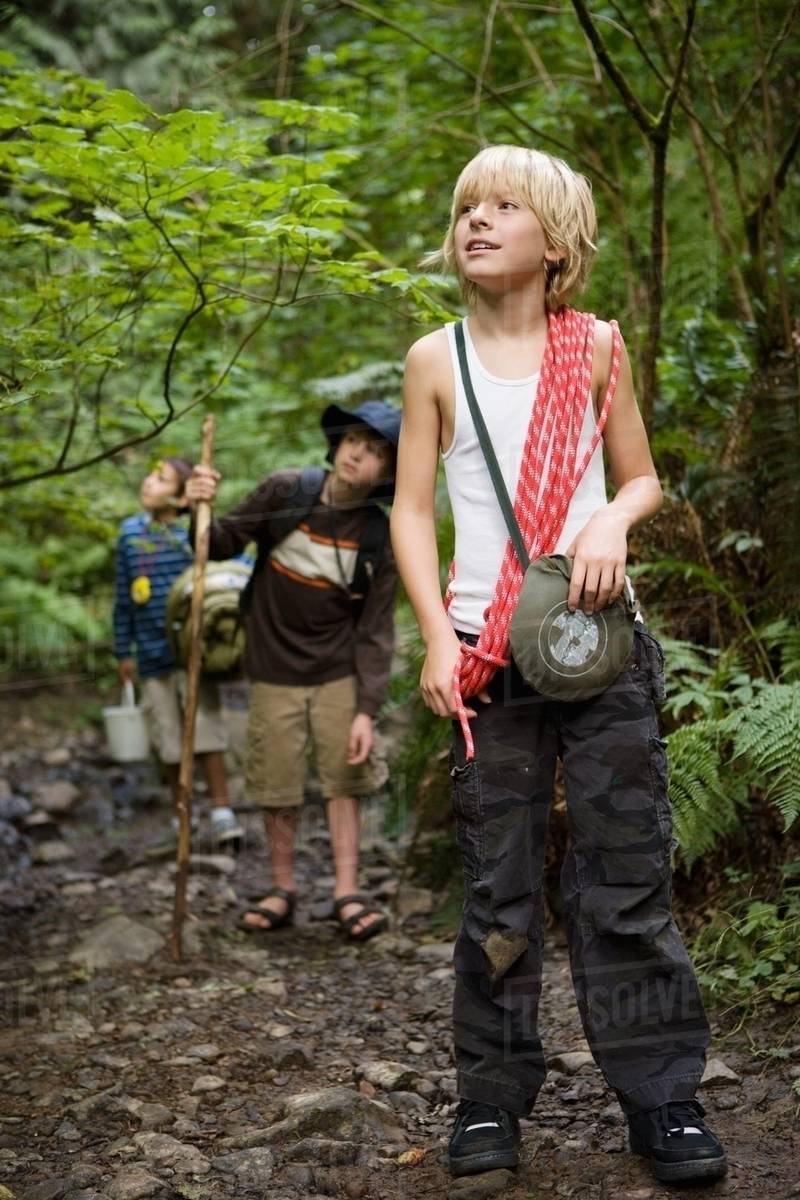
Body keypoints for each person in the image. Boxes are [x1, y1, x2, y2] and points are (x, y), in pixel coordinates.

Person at [390, 145, 727, 1184]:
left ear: (556, 243)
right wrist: (436, 638)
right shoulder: (433, 359)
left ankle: (664, 1101)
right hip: (487, 657)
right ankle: (488, 1102)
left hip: (599, 648)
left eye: (504, 206)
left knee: (625, 878)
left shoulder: (595, 347)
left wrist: (611, 522)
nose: (476, 221)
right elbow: (410, 511)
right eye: (466, 207)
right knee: (497, 889)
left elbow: (640, 479)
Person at [185, 402, 399, 941]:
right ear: (337, 444)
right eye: (353, 440)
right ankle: (282, 888)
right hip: (272, 666)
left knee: (343, 781)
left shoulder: (379, 536)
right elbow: (218, 543)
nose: (357, 454)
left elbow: (376, 631)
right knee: (276, 783)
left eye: (375, 450)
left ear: (389, 471)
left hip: (338, 670)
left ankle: (346, 891)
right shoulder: (285, 492)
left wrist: (366, 710)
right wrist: (198, 504)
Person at [113, 456, 242, 849]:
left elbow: (232, 566)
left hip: (193, 652)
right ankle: (182, 813)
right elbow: (123, 598)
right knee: (168, 739)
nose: (148, 482)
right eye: (151, 475)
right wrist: (123, 651)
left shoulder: (194, 533)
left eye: (161, 478)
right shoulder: (130, 534)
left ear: (183, 497)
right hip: (151, 654)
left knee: (206, 729)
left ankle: (221, 811)